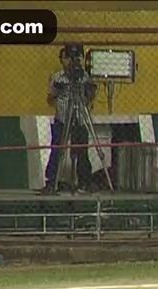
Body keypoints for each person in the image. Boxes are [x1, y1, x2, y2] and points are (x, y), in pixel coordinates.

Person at [42, 44, 97, 195]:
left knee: (81, 151)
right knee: (57, 150)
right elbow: (50, 100)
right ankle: (51, 182)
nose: (71, 62)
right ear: (62, 60)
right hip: (62, 119)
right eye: (67, 58)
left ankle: (85, 182)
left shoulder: (85, 76)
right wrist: (58, 91)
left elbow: (90, 99)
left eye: (75, 58)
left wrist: (89, 89)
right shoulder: (57, 77)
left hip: (80, 119)